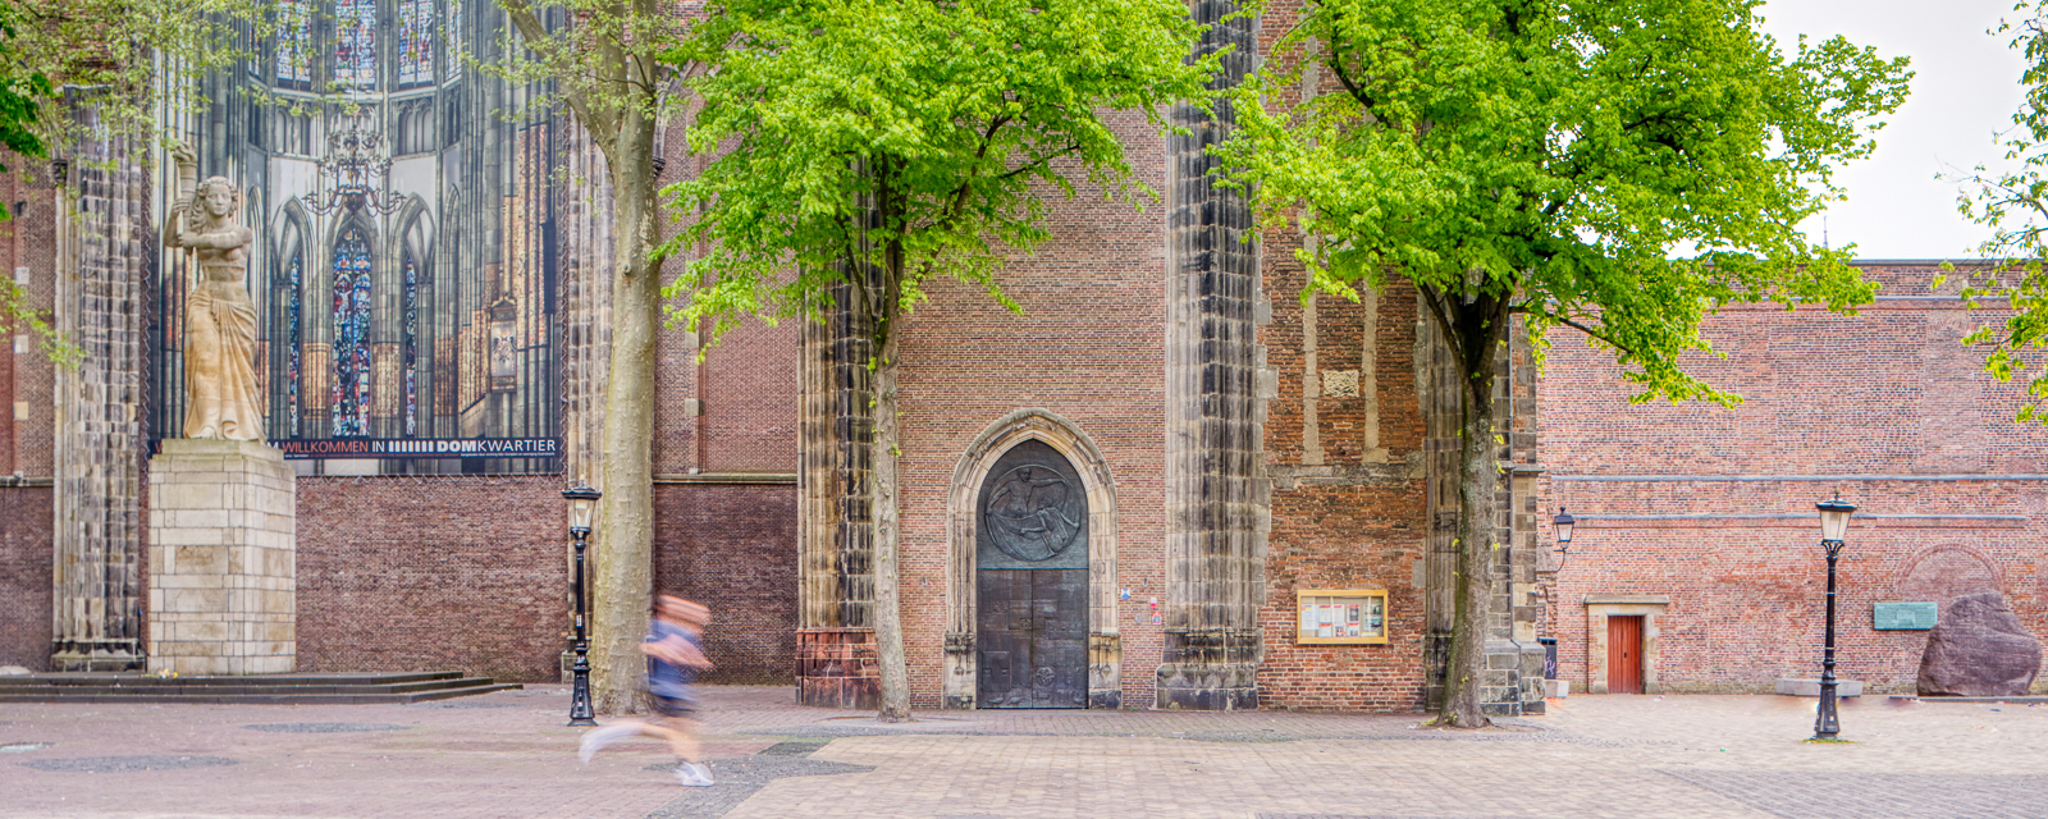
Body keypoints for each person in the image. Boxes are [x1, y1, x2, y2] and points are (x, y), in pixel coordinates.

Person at [164, 143, 262, 441]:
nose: (219, 201)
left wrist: (193, 234)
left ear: (233, 202)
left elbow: (222, 242)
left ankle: (237, 426)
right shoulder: (199, 231)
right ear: (204, 202)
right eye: (213, 197)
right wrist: (173, 216)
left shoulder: (242, 232)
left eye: (225, 197)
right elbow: (173, 241)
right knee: (204, 361)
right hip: (204, 298)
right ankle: (207, 424)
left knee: (239, 374)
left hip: (235, 305)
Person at [578, 595, 716, 786]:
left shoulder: (688, 631)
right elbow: (648, 646)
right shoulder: (661, 627)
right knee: (677, 733)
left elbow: (687, 652)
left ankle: (688, 767)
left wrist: (695, 660)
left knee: (687, 731)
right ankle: (689, 769)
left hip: (679, 690)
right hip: (667, 689)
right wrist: (669, 652)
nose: (701, 616)